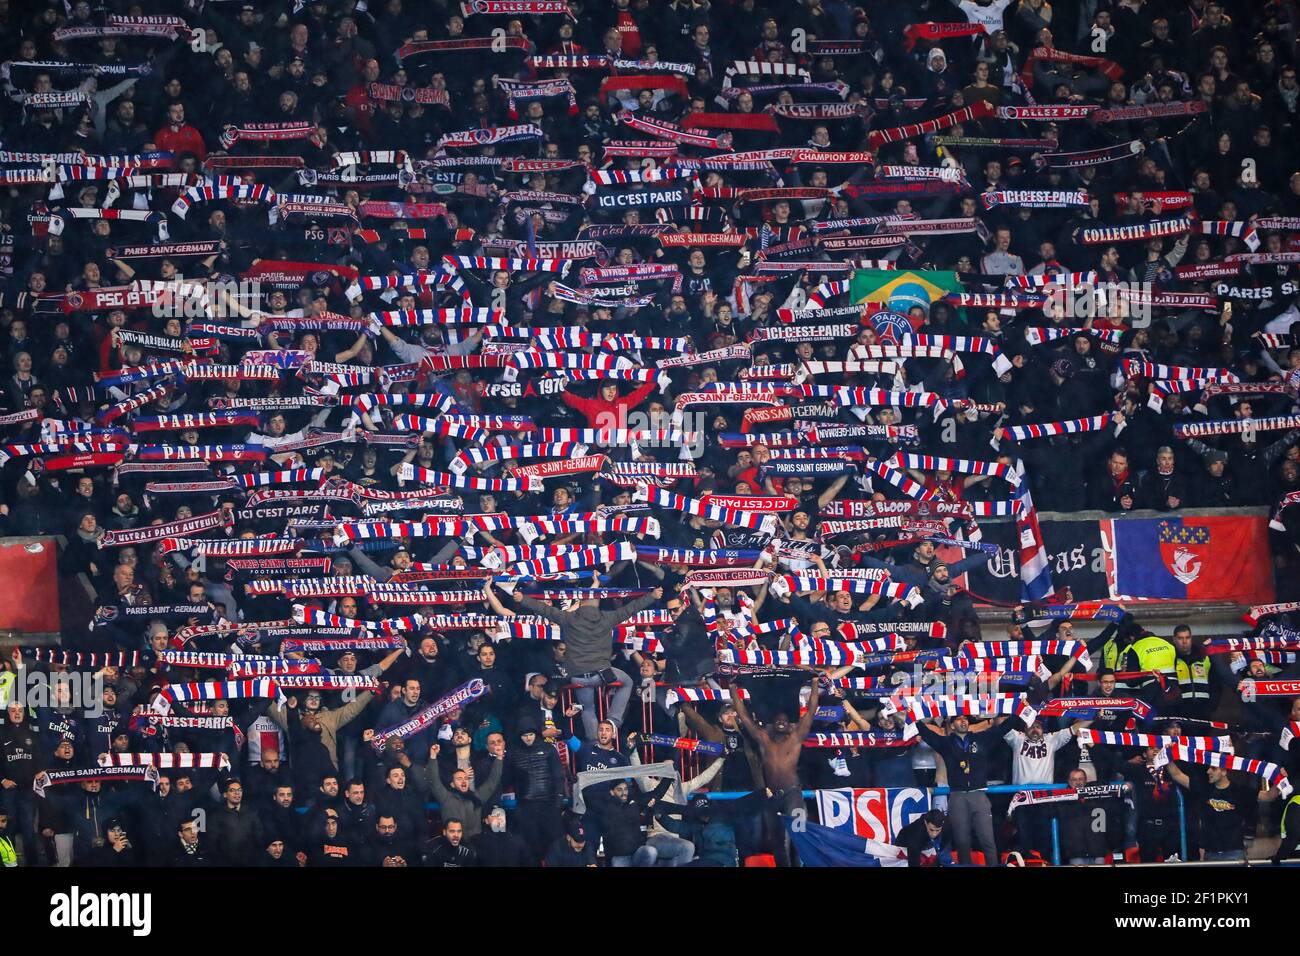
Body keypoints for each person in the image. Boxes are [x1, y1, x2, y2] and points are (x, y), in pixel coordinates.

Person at [915, 713, 1015, 865]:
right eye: (959, 719)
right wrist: (914, 718)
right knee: (962, 842)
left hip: (979, 795)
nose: (963, 721)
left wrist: (1021, 709)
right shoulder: (946, 743)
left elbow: (1004, 727)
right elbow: (927, 734)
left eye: (966, 719)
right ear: (952, 724)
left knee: (987, 840)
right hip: (957, 796)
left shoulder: (982, 739)